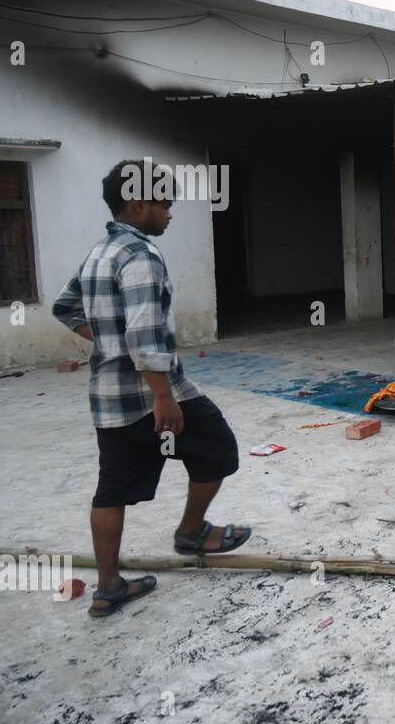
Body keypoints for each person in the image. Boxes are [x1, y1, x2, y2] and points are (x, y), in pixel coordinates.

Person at [53, 159, 251, 618]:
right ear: (139, 203)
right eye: (165, 203)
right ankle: (192, 531)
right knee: (219, 448)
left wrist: (106, 342)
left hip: (109, 398)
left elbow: (65, 307)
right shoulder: (141, 255)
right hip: (153, 394)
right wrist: (163, 395)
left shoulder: (99, 252)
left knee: (112, 490)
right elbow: (145, 334)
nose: (170, 212)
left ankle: (107, 588)